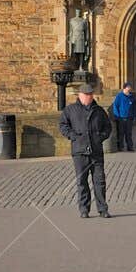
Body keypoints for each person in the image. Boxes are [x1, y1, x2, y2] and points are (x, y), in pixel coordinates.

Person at [58, 83, 112, 217]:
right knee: (82, 182)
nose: (89, 97)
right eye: (87, 95)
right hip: (79, 152)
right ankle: (84, 209)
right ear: (80, 95)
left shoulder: (99, 111)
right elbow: (63, 125)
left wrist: (100, 137)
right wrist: (73, 136)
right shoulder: (70, 110)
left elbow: (108, 127)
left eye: (91, 94)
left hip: (96, 151)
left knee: (99, 181)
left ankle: (102, 209)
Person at [110, 81, 136, 152]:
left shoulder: (132, 96)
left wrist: (134, 116)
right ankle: (120, 147)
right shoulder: (119, 96)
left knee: (129, 133)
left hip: (129, 118)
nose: (130, 88)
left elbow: (134, 107)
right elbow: (115, 106)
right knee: (121, 133)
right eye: (129, 87)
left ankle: (130, 147)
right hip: (121, 118)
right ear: (125, 87)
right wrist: (117, 116)